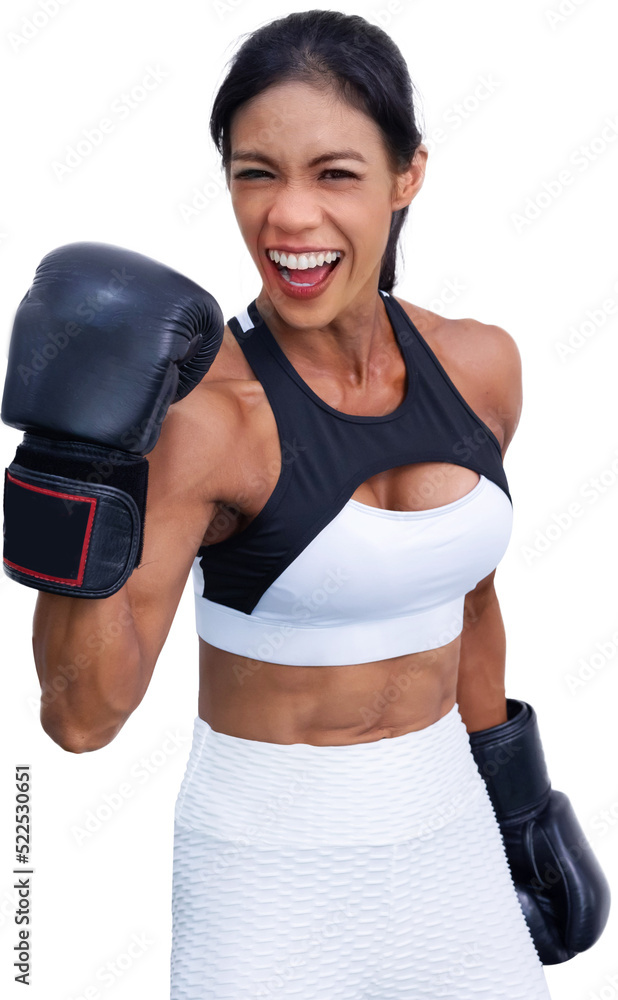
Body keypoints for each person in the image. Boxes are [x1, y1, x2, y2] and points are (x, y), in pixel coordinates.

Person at [2, 10, 609, 1000]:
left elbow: (473, 602)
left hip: (449, 832)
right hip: (267, 872)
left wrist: (520, 802)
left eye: (334, 173)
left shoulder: (482, 365)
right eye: (255, 172)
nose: (288, 219)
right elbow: (81, 718)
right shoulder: (206, 423)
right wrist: (80, 467)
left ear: (407, 174)